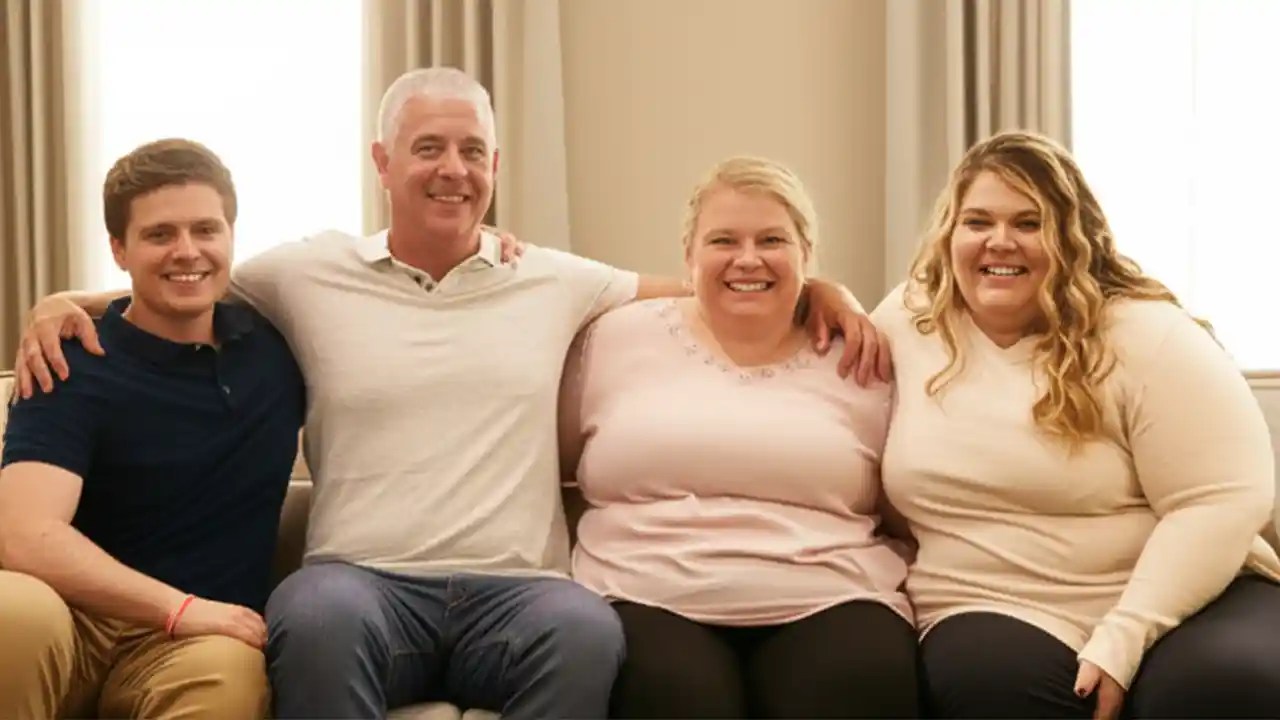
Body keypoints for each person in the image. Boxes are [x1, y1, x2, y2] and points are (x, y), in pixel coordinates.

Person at [11, 67, 888, 719]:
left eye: (472, 151)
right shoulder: (309, 272)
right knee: (312, 618)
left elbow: (709, 284)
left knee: (587, 632)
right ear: (384, 161)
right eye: (428, 148)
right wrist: (67, 302)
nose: (452, 169)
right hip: (360, 581)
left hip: (521, 589)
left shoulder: (553, 277)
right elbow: (185, 278)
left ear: (496, 165)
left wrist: (822, 290)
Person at [872, 129, 1280, 719]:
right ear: (949, 233)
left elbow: (1220, 499)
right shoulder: (908, 321)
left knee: (1222, 692)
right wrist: (827, 294)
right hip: (992, 601)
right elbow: (776, 324)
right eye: (978, 222)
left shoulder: (1148, 335)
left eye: (1029, 223)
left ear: (1075, 236)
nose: (1000, 242)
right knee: (996, 694)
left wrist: (1126, 633)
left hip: (1190, 593)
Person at [559, 156, 919, 719]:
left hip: (832, 595)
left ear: (807, 257)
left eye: (772, 240)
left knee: (857, 686)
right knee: (679, 699)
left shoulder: (863, 354)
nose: (748, 258)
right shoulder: (612, 339)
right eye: (723, 240)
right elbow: (546, 462)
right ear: (688, 257)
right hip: (644, 594)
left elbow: (905, 505)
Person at [0, 139, 305, 719]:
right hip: (69, 621)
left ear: (232, 237)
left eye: (205, 230)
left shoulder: (277, 348)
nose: (187, 250)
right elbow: (23, 533)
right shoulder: (70, 358)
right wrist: (178, 606)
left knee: (228, 679)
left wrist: (496, 247)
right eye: (160, 235)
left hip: (192, 647)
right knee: (8, 614)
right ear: (119, 249)